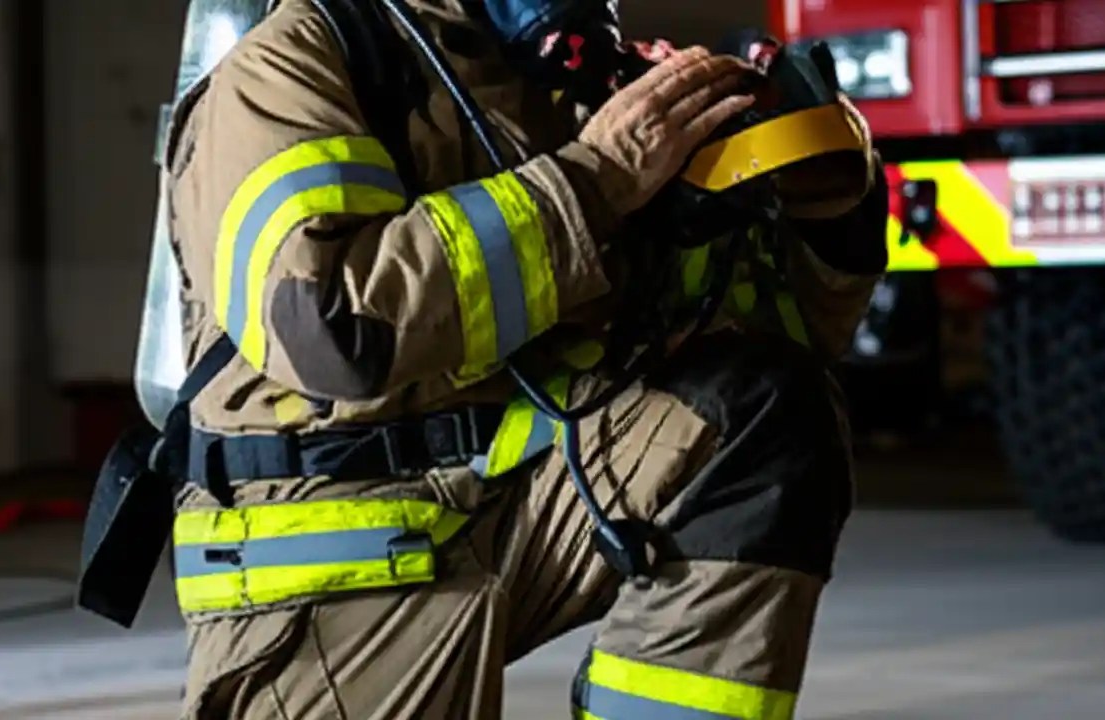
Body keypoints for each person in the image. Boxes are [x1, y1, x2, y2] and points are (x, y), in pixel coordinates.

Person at [163, 0, 889, 717]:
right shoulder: (287, 68)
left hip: (506, 489)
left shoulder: (545, 81)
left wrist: (822, 209)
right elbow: (332, 328)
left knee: (758, 408)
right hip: (338, 541)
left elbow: (768, 337)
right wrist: (597, 178)